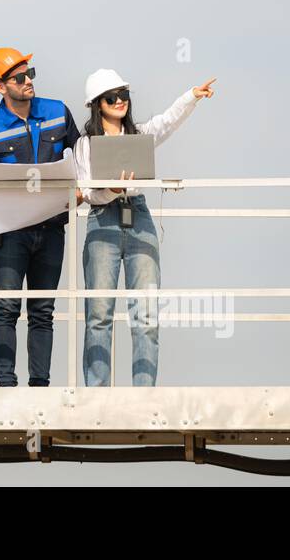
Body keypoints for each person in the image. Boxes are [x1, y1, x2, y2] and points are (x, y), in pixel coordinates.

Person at [74, 69, 216, 387]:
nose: (120, 102)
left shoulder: (139, 135)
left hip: (138, 216)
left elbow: (167, 122)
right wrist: (111, 189)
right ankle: (96, 393)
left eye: (124, 94)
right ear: (97, 104)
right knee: (99, 313)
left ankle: (144, 395)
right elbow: (86, 192)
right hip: (102, 219)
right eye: (112, 97)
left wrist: (191, 96)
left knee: (147, 312)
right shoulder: (85, 145)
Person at [0, 48, 79, 387]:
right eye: (19, 77)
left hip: (51, 229)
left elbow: (82, 157)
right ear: (0, 87)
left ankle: (39, 386)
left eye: (30, 73)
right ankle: (5, 385)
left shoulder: (58, 112)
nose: (28, 81)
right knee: (7, 306)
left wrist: (79, 188)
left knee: (43, 311)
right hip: (10, 233)